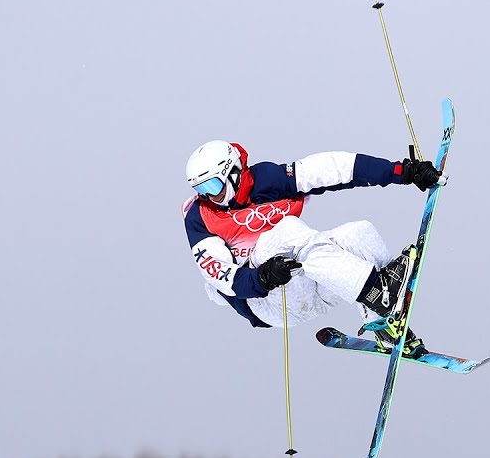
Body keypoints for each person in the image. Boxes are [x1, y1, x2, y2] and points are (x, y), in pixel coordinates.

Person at [181, 140, 444, 356]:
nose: (208, 195)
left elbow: (333, 169)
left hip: (311, 282)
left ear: (234, 172)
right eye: (200, 189)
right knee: (287, 230)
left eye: (212, 186)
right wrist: (262, 277)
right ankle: (377, 293)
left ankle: (383, 321)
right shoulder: (200, 216)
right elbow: (220, 275)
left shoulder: (267, 180)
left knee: (359, 233)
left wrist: (402, 172)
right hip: (266, 300)